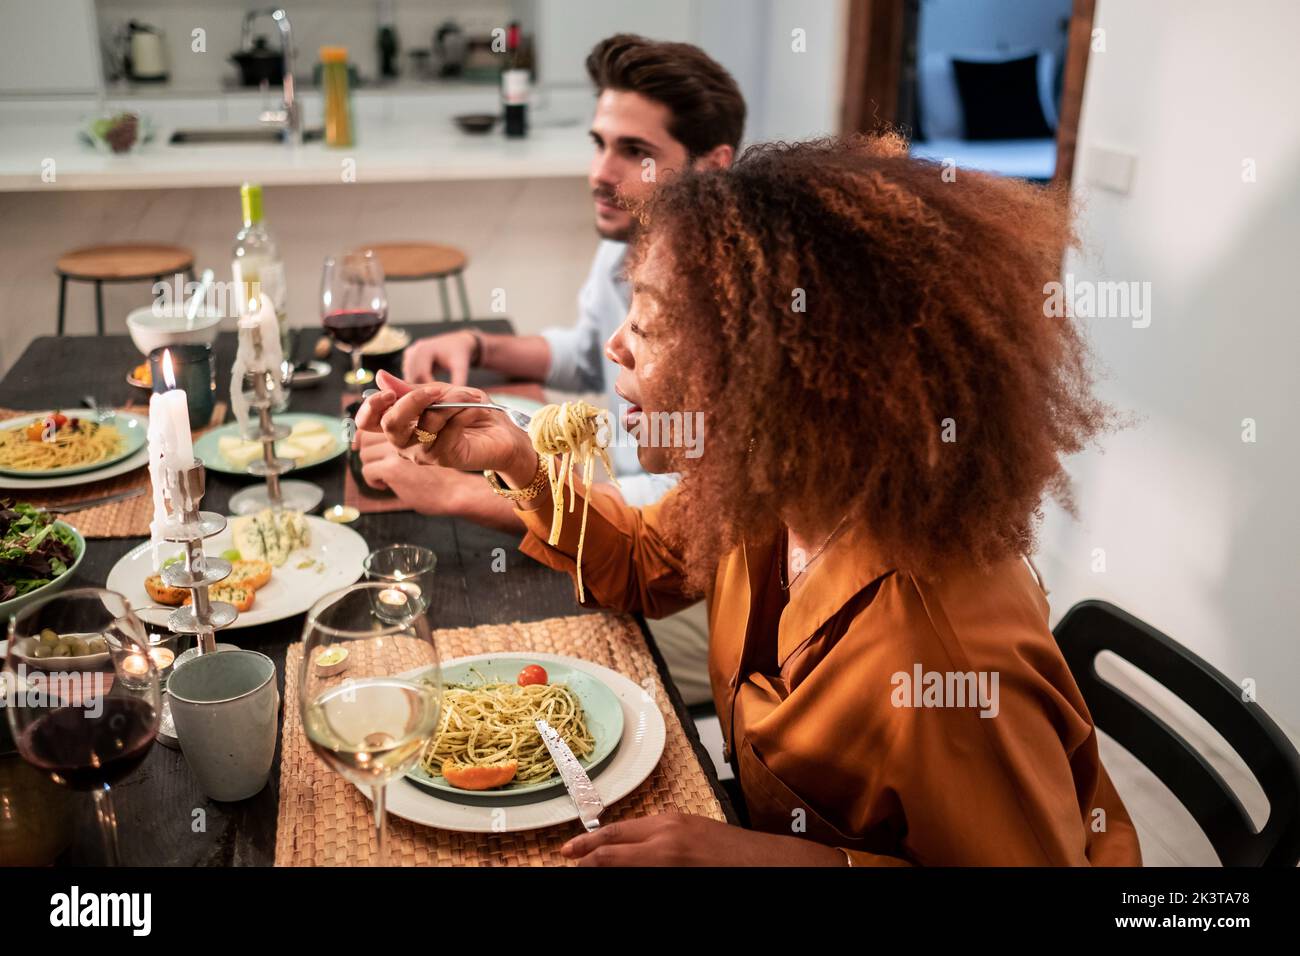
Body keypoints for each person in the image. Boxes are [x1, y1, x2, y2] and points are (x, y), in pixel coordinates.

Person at [356, 134, 1142, 866]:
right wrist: (523, 463)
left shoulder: (941, 655)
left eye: (651, 324)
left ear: (774, 373)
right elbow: (645, 560)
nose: (614, 346)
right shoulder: (772, 492)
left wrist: (753, 857)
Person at [358, 34, 746, 706]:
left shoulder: (742, 312)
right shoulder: (633, 233)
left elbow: (675, 531)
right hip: (618, 482)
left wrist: (465, 495)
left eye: (635, 152)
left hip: (684, 559)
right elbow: (585, 349)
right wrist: (481, 348)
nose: (601, 171)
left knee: (518, 648)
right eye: (599, 143)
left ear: (713, 166)